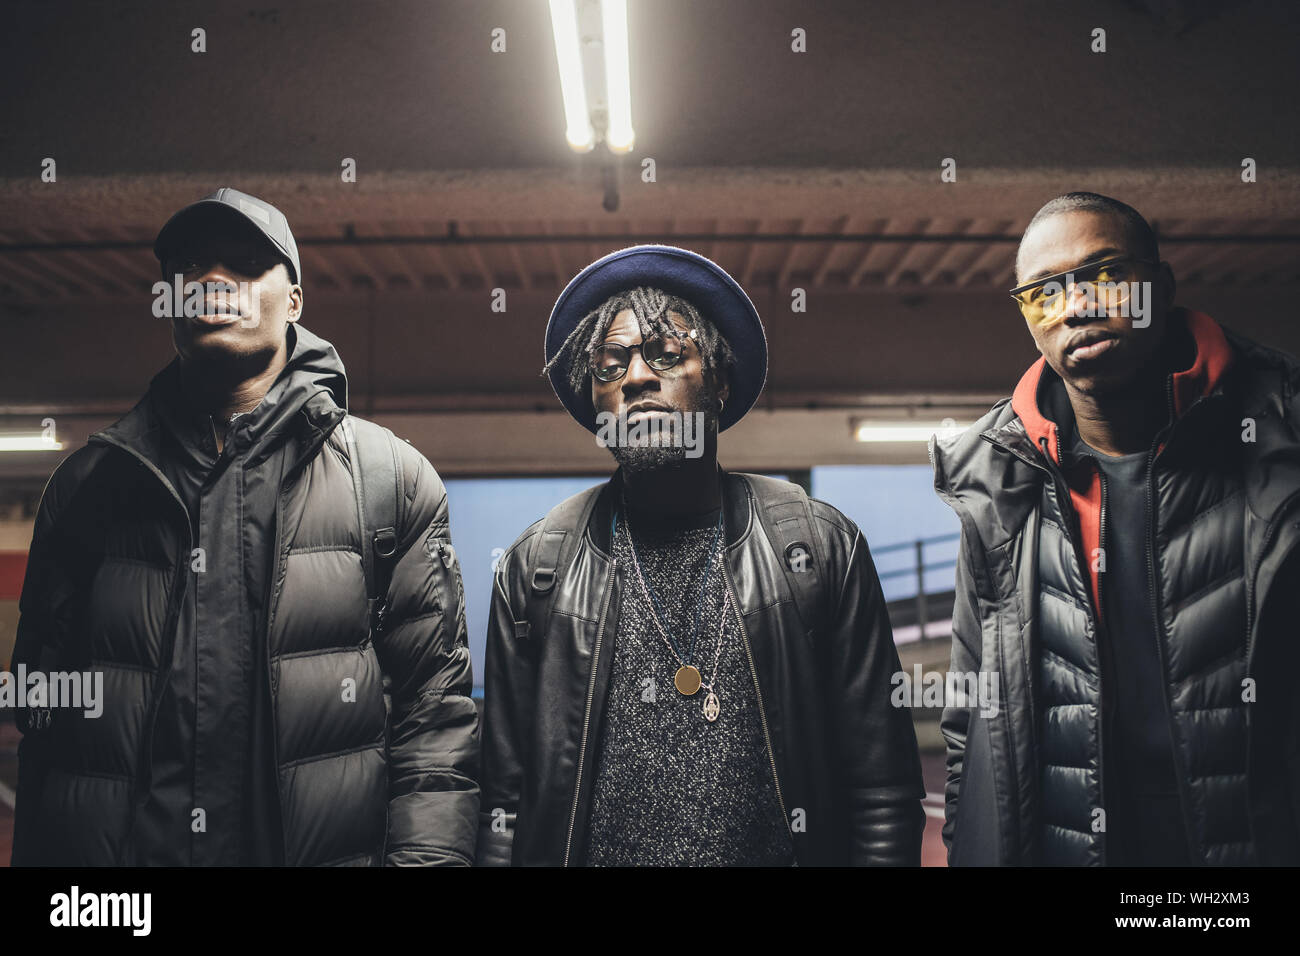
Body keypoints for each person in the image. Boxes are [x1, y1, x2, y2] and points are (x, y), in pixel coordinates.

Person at [10, 188, 479, 866]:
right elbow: (45, 723)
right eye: (192, 265)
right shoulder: (88, 489)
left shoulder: (390, 480)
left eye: (246, 264)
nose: (213, 281)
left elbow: (433, 720)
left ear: (293, 301)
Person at [477, 244, 925, 866]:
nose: (635, 378)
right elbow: (502, 802)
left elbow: (882, 796)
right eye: (610, 366)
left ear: (716, 379)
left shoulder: (818, 547)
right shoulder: (536, 566)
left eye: (666, 354)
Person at [932, 192, 1300, 865]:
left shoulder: (1282, 430)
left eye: (1103, 276)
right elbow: (969, 715)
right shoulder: (997, 481)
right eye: (1044, 292)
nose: (1076, 305)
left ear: (1159, 286)